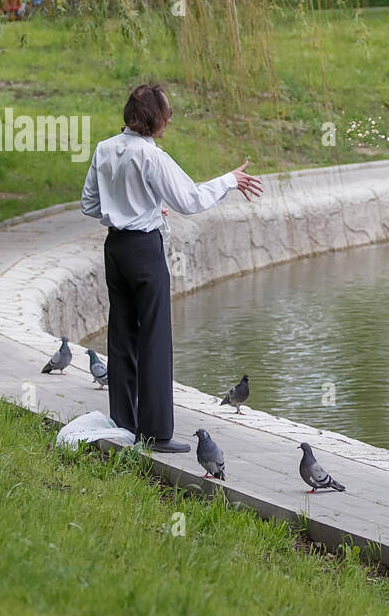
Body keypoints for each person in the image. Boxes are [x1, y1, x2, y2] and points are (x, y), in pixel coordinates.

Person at [81, 85, 264, 452]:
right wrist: (229, 180)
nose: (170, 119)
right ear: (154, 118)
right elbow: (190, 200)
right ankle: (157, 433)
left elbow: (89, 204)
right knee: (154, 338)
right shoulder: (152, 157)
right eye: (166, 113)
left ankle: (124, 424)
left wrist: (130, 211)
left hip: (115, 249)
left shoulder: (104, 149)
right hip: (145, 252)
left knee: (121, 337)